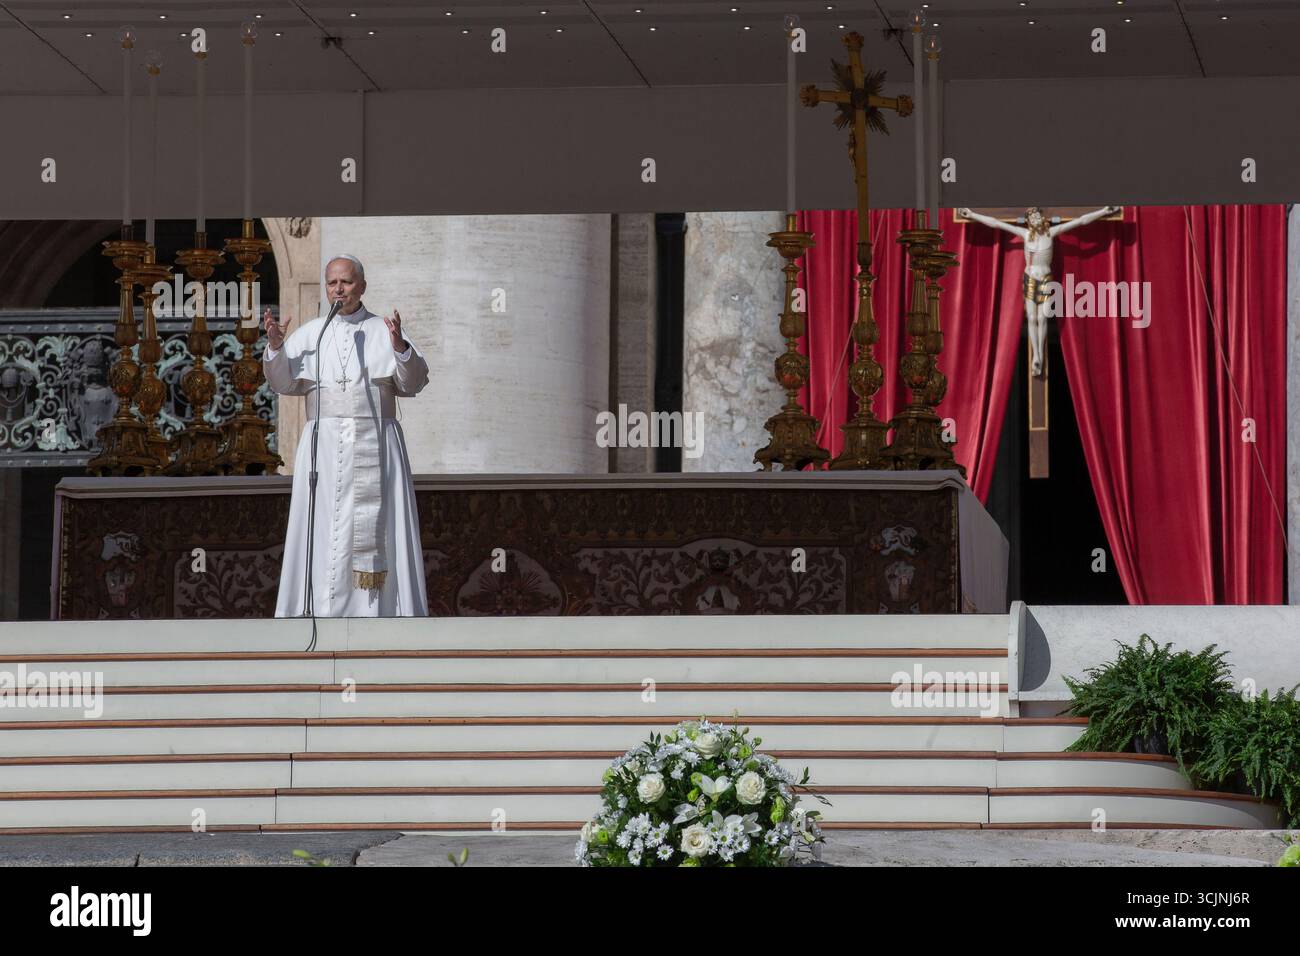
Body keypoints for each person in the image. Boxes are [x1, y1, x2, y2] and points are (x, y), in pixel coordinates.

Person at [262, 254, 430, 617]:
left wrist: (399, 347)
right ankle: (316, 610)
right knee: (322, 526)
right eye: (332, 283)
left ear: (362, 286)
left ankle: (383, 613)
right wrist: (276, 348)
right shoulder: (312, 333)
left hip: (377, 445)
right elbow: (282, 382)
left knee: (379, 529)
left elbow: (413, 382)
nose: (338, 289)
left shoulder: (383, 332)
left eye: (347, 282)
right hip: (323, 449)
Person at [957, 205, 1119, 377]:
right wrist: (973, 214)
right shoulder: (1025, 235)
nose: (1035, 220)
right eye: (1032, 218)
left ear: (1042, 219)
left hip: (1046, 278)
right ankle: (1036, 355)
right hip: (1030, 278)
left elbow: (1080, 221)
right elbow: (996, 223)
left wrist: (1103, 212)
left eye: (1037, 217)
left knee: (1043, 318)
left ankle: (1040, 354)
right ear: (1029, 223)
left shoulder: (1052, 233)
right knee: (1032, 317)